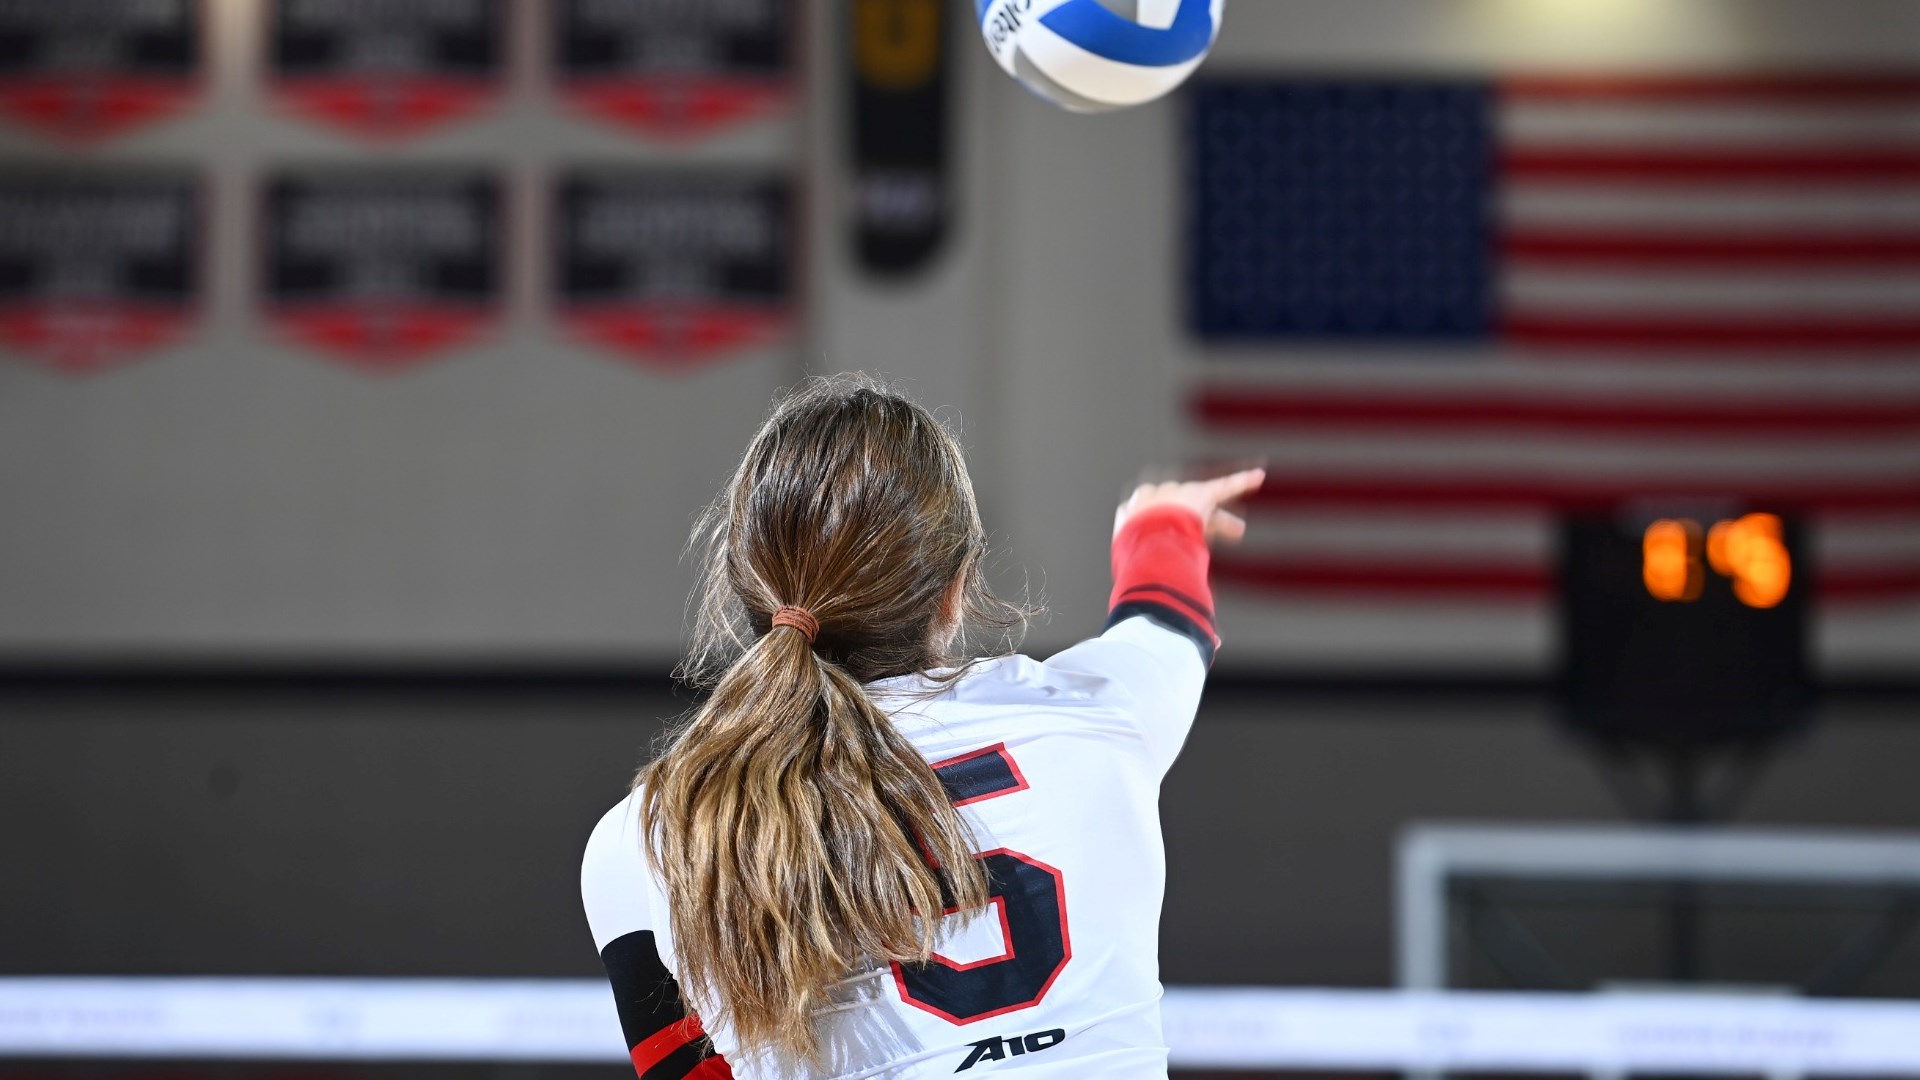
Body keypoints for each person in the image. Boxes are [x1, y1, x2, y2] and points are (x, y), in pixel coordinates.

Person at [580, 375, 1262, 1079]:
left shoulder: (650, 838)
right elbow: (1167, 622)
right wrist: (1163, 525)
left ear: (746, 590)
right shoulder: (1095, 716)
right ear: (957, 591)